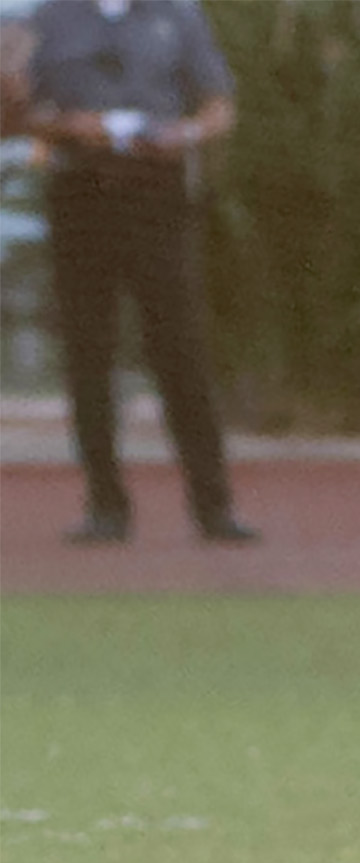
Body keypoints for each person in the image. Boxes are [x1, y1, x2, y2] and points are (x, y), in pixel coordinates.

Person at [14, 0, 256, 544]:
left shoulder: (178, 16)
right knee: (88, 354)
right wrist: (64, 125)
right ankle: (105, 506)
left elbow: (219, 107)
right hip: (81, 191)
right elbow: (17, 110)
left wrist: (181, 135)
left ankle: (214, 505)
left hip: (157, 194)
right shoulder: (50, 19)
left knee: (180, 351)